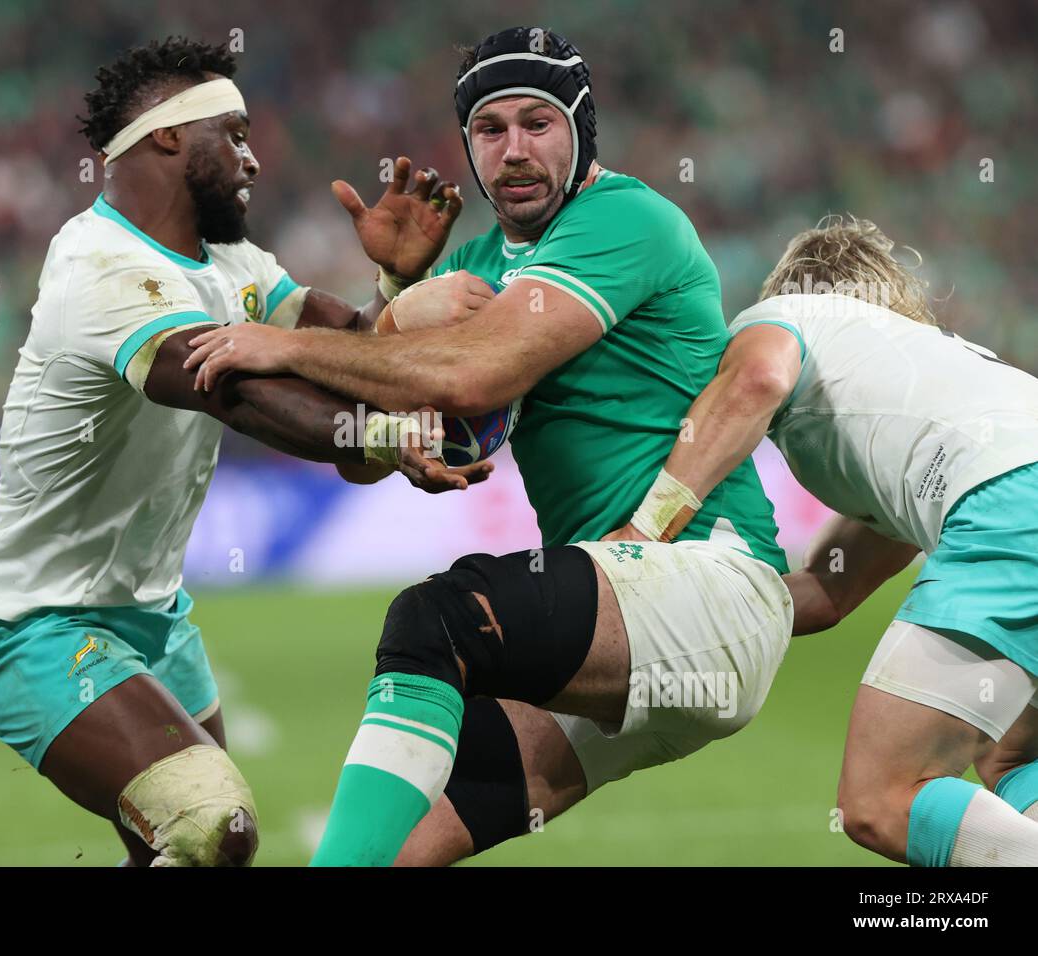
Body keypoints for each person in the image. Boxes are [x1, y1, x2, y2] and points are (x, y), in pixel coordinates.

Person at [185, 26, 793, 866]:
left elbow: (474, 374)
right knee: (398, 846)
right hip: (629, 617)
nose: (513, 150)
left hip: (704, 585)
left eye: (537, 123)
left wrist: (283, 344)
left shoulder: (625, 218)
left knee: (438, 619)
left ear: (581, 130)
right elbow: (362, 459)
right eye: (489, 128)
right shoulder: (472, 262)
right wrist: (396, 296)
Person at [0, 35, 486, 868]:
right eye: (232, 134)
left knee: (181, 846)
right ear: (167, 137)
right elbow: (227, 385)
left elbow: (345, 349)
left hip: (150, 614)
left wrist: (393, 292)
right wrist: (381, 432)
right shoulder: (98, 264)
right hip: (32, 623)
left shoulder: (231, 262)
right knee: (212, 829)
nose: (253, 159)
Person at [613, 215, 1038, 865]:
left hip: (1011, 502)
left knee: (879, 801)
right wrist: (683, 616)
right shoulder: (928, 397)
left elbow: (757, 380)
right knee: (1014, 753)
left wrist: (643, 536)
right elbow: (824, 594)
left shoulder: (791, 312)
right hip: (1010, 493)